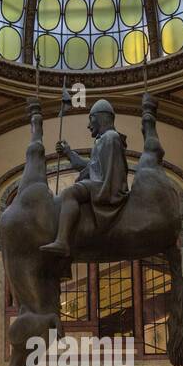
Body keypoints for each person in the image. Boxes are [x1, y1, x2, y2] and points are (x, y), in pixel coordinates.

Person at [40, 99, 129, 257]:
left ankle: (62, 241)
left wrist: (93, 185)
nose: (89, 125)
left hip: (105, 187)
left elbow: (107, 174)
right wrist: (68, 152)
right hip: (100, 183)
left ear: (100, 118)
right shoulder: (105, 139)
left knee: (69, 193)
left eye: (91, 119)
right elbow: (90, 168)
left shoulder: (110, 138)